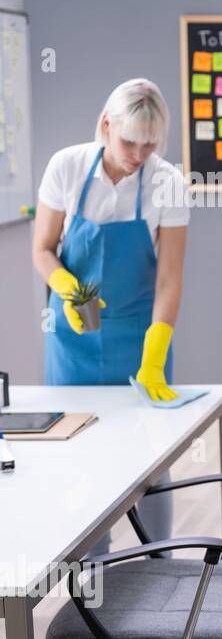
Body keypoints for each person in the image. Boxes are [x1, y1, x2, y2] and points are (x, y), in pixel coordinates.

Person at [31, 78, 187, 556]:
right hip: (74, 333)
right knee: (77, 450)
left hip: (139, 335)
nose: (139, 153)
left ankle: (157, 560)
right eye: (129, 141)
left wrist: (155, 353)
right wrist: (65, 287)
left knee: (153, 455)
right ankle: (92, 567)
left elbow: (169, 279)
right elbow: (43, 249)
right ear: (106, 125)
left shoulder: (167, 183)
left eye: (150, 143)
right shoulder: (67, 167)